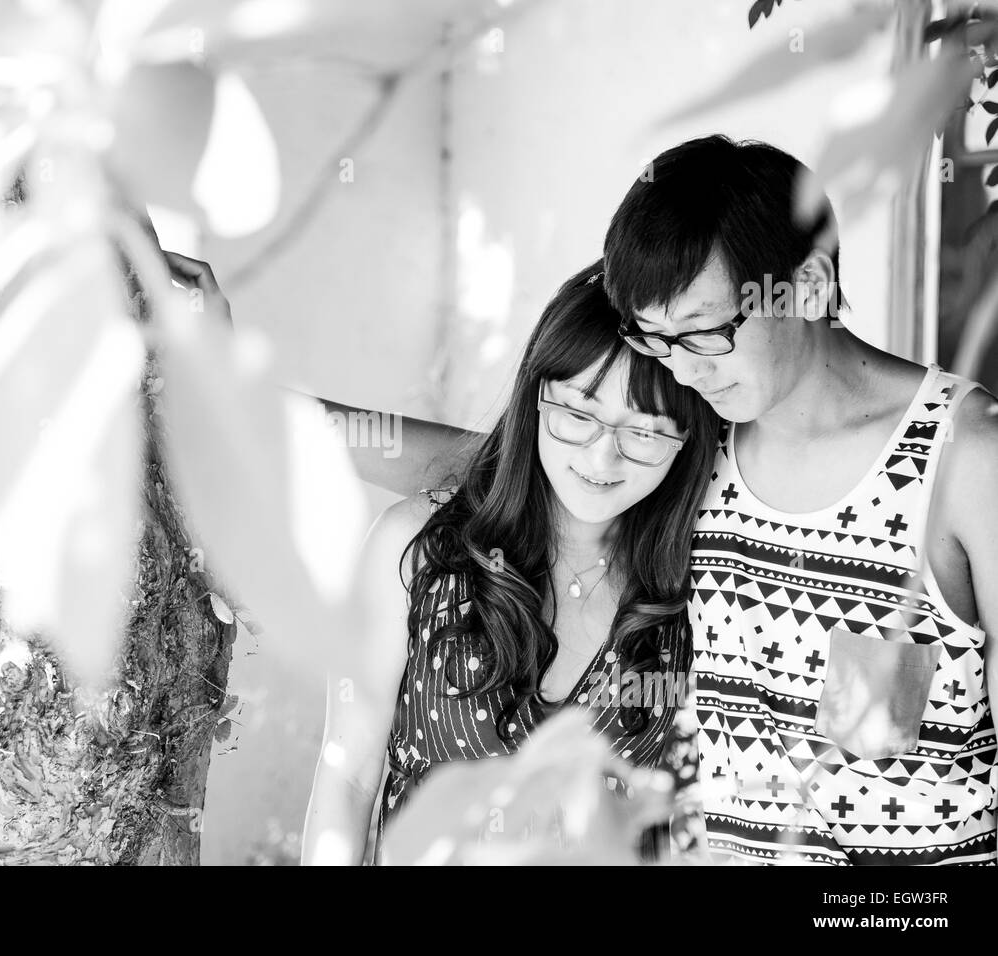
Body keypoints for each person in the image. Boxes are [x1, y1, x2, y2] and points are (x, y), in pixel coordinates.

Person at [326, 135, 998, 866]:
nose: (679, 367)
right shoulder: (701, 443)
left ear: (807, 286)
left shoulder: (965, 460)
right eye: (654, 339)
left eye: (702, 333)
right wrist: (250, 412)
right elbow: (503, 464)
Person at [291, 263, 718, 865]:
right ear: (536, 399)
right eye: (578, 414)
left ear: (686, 442)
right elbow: (350, 773)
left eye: (644, 433)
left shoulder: (691, 587)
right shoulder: (420, 550)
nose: (602, 458)